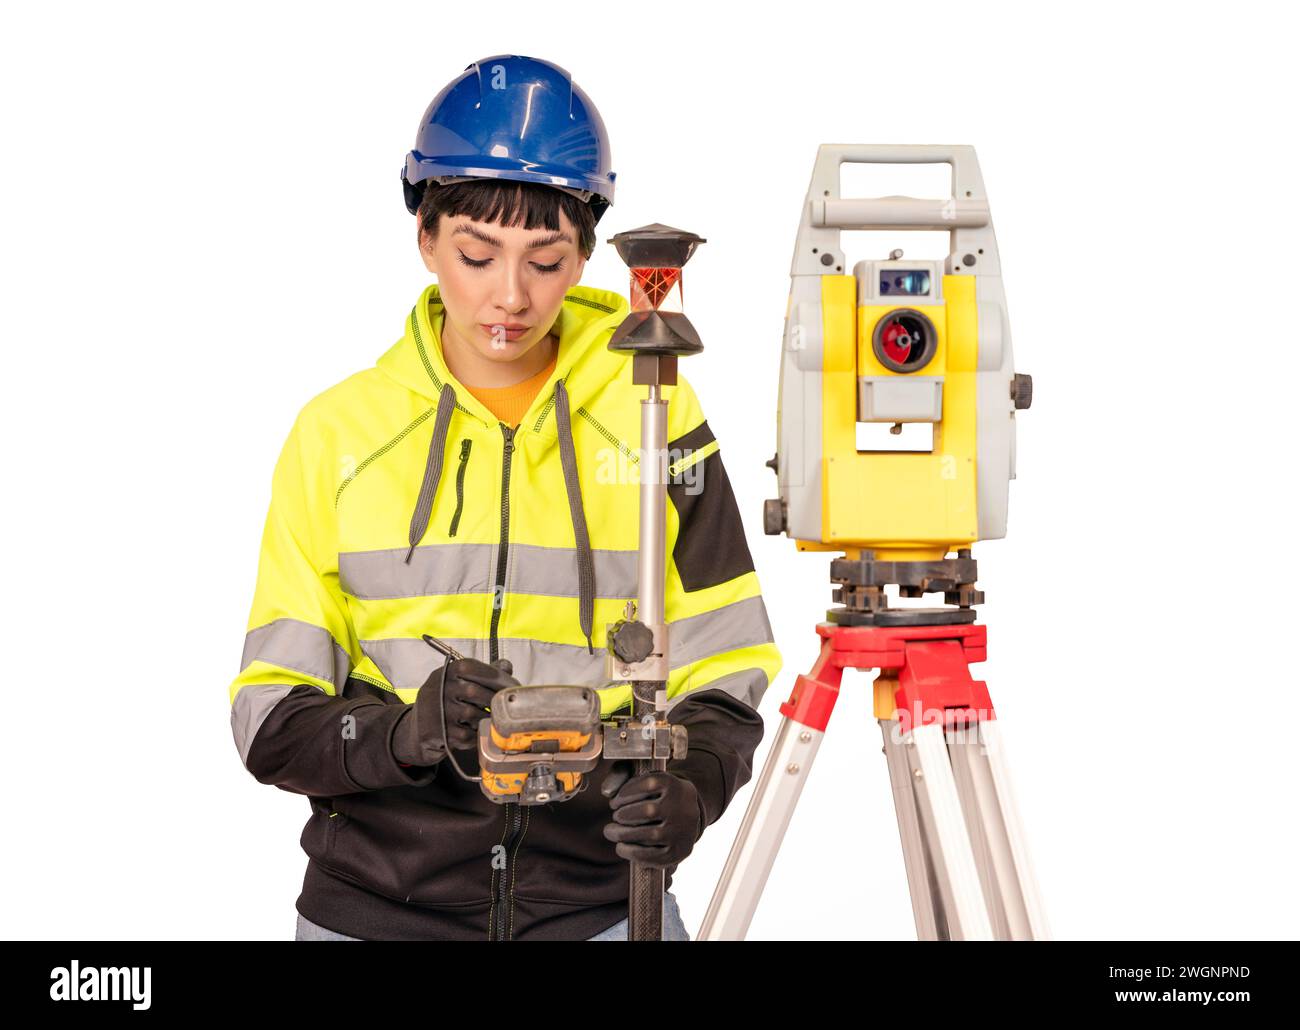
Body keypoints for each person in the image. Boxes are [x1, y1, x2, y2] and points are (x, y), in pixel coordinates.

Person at [228, 54, 782, 941]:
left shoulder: (657, 414)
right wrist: (404, 734)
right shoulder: (335, 436)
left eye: (547, 260)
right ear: (426, 239)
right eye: (477, 256)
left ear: (588, 254)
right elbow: (269, 722)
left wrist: (695, 788)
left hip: (601, 905)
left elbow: (726, 662)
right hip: (373, 908)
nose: (511, 296)